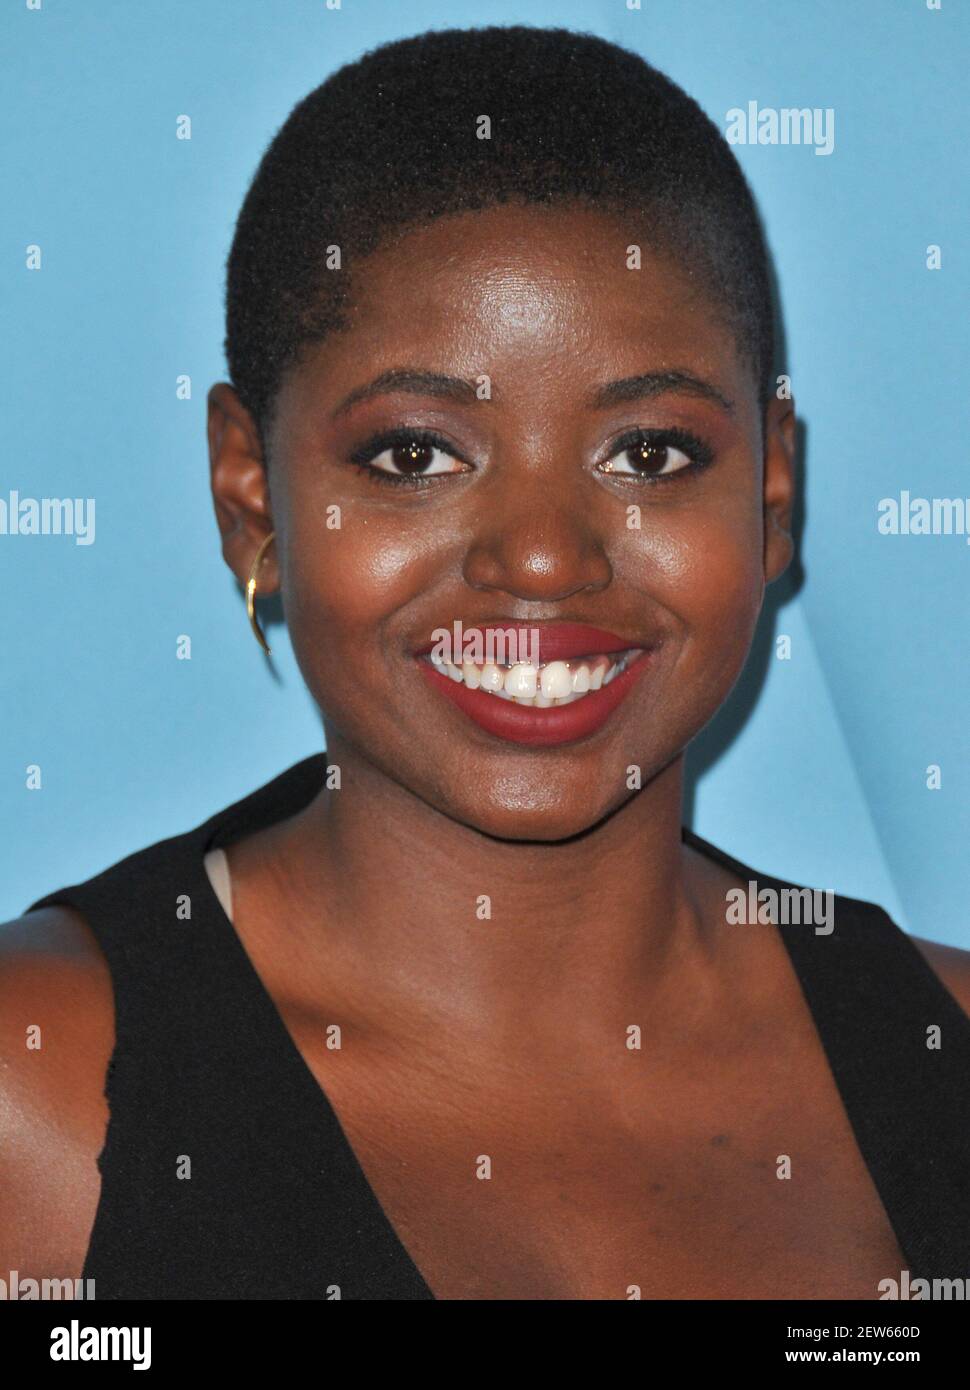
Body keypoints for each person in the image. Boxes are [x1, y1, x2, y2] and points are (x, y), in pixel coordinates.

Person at [2, 25, 968, 1302]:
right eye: (414, 454)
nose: (543, 558)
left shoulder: (943, 1050)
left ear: (773, 487)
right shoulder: (43, 1083)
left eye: (650, 452)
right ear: (250, 495)